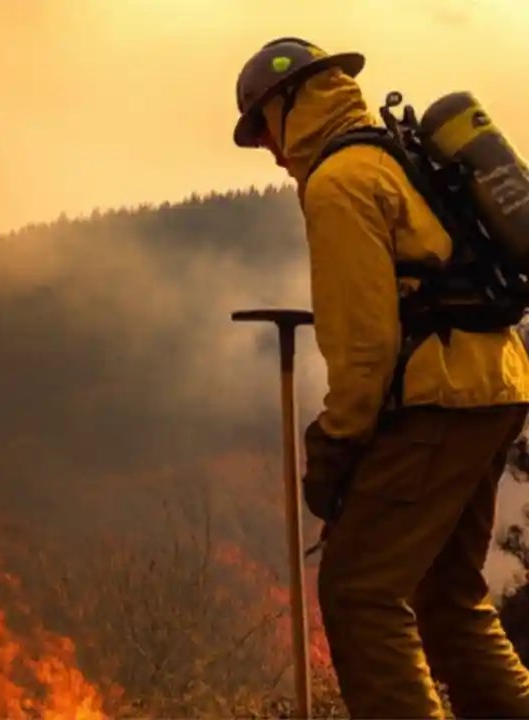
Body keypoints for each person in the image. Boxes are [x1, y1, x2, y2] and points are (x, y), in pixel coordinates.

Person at [232, 38, 529, 718]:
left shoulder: (339, 183)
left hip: (440, 400)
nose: (270, 152)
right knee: (448, 597)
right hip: (497, 383)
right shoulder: (395, 156)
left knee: (359, 593)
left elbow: (363, 347)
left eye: (264, 129)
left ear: (291, 104)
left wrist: (337, 442)